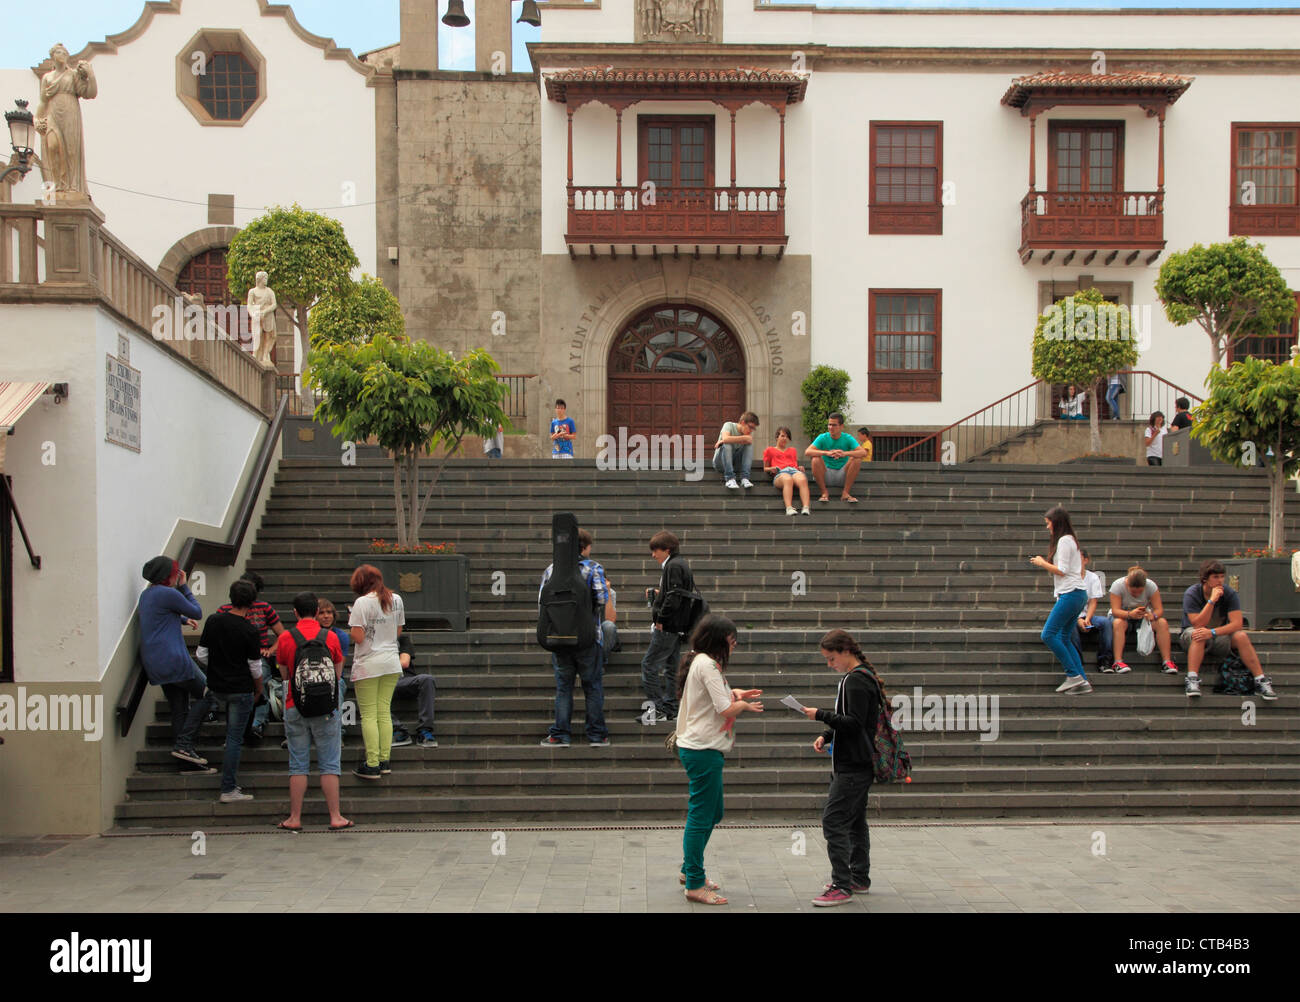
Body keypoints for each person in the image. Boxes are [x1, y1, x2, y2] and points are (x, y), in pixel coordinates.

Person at [674, 615, 762, 905]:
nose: (734, 646)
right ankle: (695, 883)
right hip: (702, 749)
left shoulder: (702, 661)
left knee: (713, 812)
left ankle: (690, 869)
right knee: (702, 814)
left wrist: (736, 692)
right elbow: (724, 709)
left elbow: (714, 697)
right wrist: (744, 704)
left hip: (701, 747)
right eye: (732, 641)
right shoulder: (708, 665)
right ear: (719, 640)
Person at [802, 629, 881, 907]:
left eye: (831, 658)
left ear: (846, 651)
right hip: (859, 761)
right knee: (855, 820)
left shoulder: (854, 682)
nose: (829, 664)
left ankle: (841, 885)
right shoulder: (862, 678)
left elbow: (854, 723)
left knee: (833, 820)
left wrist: (819, 715)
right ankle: (858, 877)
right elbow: (852, 722)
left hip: (852, 764)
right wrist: (828, 734)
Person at [275, 592, 351, 831]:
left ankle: (295, 818)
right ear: (317, 613)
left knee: (298, 764)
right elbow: (337, 675)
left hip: (294, 705)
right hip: (326, 706)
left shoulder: (287, 637)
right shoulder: (330, 637)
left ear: (295, 612)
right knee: (329, 763)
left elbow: (285, 675)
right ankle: (336, 816)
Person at [137, 556, 213, 771]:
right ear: (168, 575)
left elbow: (157, 614)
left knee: (179, 707)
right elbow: (197, 611)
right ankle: (184, 744)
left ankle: (184, 759)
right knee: (209, 694)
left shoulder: (147, 595)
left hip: (155, 662)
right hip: (174, 659)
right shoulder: (169, 593)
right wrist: (184, 587)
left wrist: (181, 620)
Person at [196, 579, 265, 803]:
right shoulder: (250, 631)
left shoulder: (213, 620)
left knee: (230, 733)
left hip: (217, 686)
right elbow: (255, 667)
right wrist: (259, 690)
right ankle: (228, 788)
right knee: (234, 738)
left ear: (230, 597)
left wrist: (218, 668)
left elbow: (201, 654)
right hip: (241, 689)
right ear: (253, 602)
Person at [538, 528, 610, 747]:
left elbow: (542, 601)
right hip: (588, 637)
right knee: (593, 686)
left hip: (560, 638)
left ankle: (560, 734)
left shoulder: (552, 569)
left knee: (563, 688)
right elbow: (601, 599)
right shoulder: (593, 568)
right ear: (585, 547)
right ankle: (597, 736)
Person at [1180, 560, 1277, 700]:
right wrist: (1211, 601)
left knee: (1241, 636)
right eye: (1215, 577)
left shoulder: (1229, 593)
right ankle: (1192, 679)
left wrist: (1212, 632)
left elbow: (1237, 624)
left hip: (1217, 636)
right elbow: (1198, 623)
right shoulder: (1193, 593)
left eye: (1222, 577)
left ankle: (1260, 680)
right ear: (1205, 579)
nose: (1220, 581)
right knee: (1198, 633)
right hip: (1191, 636)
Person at [348, 564, 405, 779]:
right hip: (391, 661)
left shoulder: (361, 603)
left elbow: (359, 637)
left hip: (368, 663)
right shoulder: (396, 599)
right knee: (384, 711)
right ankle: (384, 759)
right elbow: (397, 631)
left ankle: (371, 763)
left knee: (369, 715)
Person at [1030, 506, 1091, 693]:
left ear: (1056, 522)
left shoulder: (1065, 540)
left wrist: (1042, 563)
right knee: (1064, 637)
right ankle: (1082, 681)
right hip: (1076, 593)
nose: (1047, 527)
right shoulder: (1070, 540)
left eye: (1048, 523)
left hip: (1071, 593)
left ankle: (1073, 675)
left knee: (1048, 634)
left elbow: (1062, 570)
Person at [218, 571, 284, 742]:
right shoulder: (224, 610)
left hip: (258, 655)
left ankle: (256, 725)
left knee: (260, 680)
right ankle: (235, 729)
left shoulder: (264, 608)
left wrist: (270, 649)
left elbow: (282, 635)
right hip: (233, 658)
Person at [640, 530, 697, 722]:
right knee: (671, 667)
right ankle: (671, 707)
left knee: (648, 665)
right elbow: (675, 594)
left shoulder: (672, 566)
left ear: (668, 549)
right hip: (677, 626)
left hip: (668, 626)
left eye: (656, 550)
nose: (653, 555)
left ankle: (657, 709)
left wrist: (660, 620)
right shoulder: (681, 565)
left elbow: (673, 597)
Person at [1108, 565, 1179, 675]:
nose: (1137, 595)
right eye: (1133, 592)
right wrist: (1130, 614)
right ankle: (1117, 661)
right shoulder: (1117, 585)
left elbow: (1159, 609)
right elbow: (1115, 610)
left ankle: (1167, 661)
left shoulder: (1151, 586)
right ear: (1127, 584)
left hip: (1143, 617)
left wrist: (1153, 616)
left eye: (1140, 592)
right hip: (1123, 616)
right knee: (1118, 623)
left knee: (1162, 623)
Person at [390, 633, 438, 748]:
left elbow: (405, 662)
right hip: (385, 682)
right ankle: (399, 731)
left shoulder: (401, 638)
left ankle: (424, 731)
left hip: (405, 680)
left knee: (427, 679)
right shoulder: (374, 640)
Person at [805, 413, 866, 504]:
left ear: (841, 426)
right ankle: (824, 493)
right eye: (829, 424)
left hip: (843, 474)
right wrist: (826, 453)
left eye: (834, 425)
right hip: (826, 474)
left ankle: (845, 493)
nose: (831, 427)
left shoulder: (847, 438)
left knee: (856, 459)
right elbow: (807, 452)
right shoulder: (823, 437)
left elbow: (863, 452)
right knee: (815, 459)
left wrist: (845, 453)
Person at [1071, 548, 1115, 674]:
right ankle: (1077, 662)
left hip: (1087, 615)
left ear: (1086, 560)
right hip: (1071, 616)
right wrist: (1078, 620)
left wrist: (1088, 619)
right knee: (1069, 626)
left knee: (1105, 623)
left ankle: (1104, 661)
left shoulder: (1093, 577)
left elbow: (1093, 601)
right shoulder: (1067, 578)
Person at [762, 425, 811, 515]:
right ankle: (789, 508)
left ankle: (806, 507)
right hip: (780, 473)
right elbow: (765, 468)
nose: (785, 438)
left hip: (794, 471)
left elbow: (794, 464)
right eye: (783, 436)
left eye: (787, 437)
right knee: (787, 479)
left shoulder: (792, 450)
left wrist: (799, 467)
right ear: (777, 437)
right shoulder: (769, 450)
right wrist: (771, 469)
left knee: (802, 479)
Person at [315, 598, 351, 709]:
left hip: (334, 676)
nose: (326, 616)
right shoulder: (308, 634)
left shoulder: (341, 636)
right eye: (321, 613)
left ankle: (336, 723)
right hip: (311, 675)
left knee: (338, 683)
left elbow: (338, 670)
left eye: (329, 612)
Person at [712, 410, 760, 490]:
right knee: (727, 444)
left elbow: (726, 439)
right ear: (743, 422)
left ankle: (745, 478)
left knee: (749, 445)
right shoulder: (729, 425)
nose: (751, 431)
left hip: (735, 464)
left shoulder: (746, 434)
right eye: (750, 427)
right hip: (720, 463)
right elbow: (726, 438)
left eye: (753, 429)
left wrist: (726, 439)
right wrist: (742, 438)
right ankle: (730, 479)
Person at [601, 580, 621, 653]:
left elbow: (611, 619)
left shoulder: (610, 592)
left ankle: (600, 659)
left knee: (609, 626)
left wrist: (607, 592)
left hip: (602, 630)